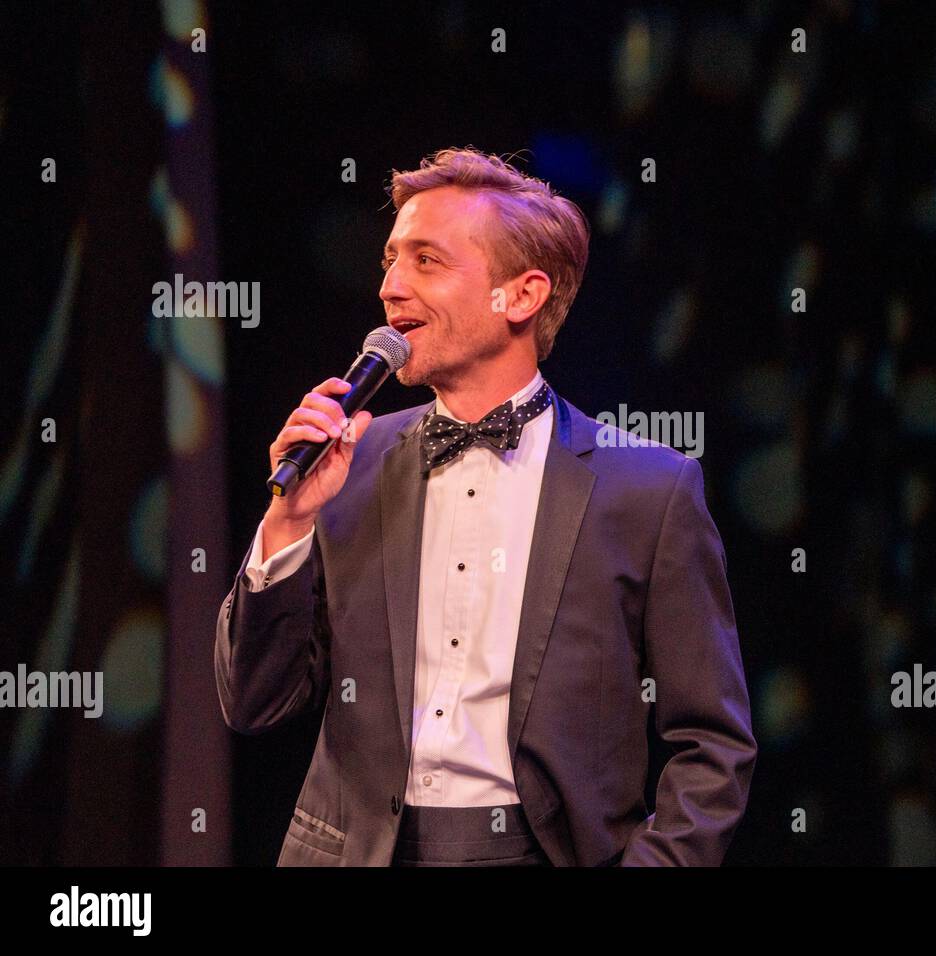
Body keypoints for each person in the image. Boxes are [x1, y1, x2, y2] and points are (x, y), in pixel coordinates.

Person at [214, 147, 757, 866]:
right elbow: (255, 702)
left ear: (522, 296)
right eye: (389, 259)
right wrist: (289, 521)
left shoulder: (649, 490)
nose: (390, 287)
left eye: (426, 261)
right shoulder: (353, 464)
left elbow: (713, 744)